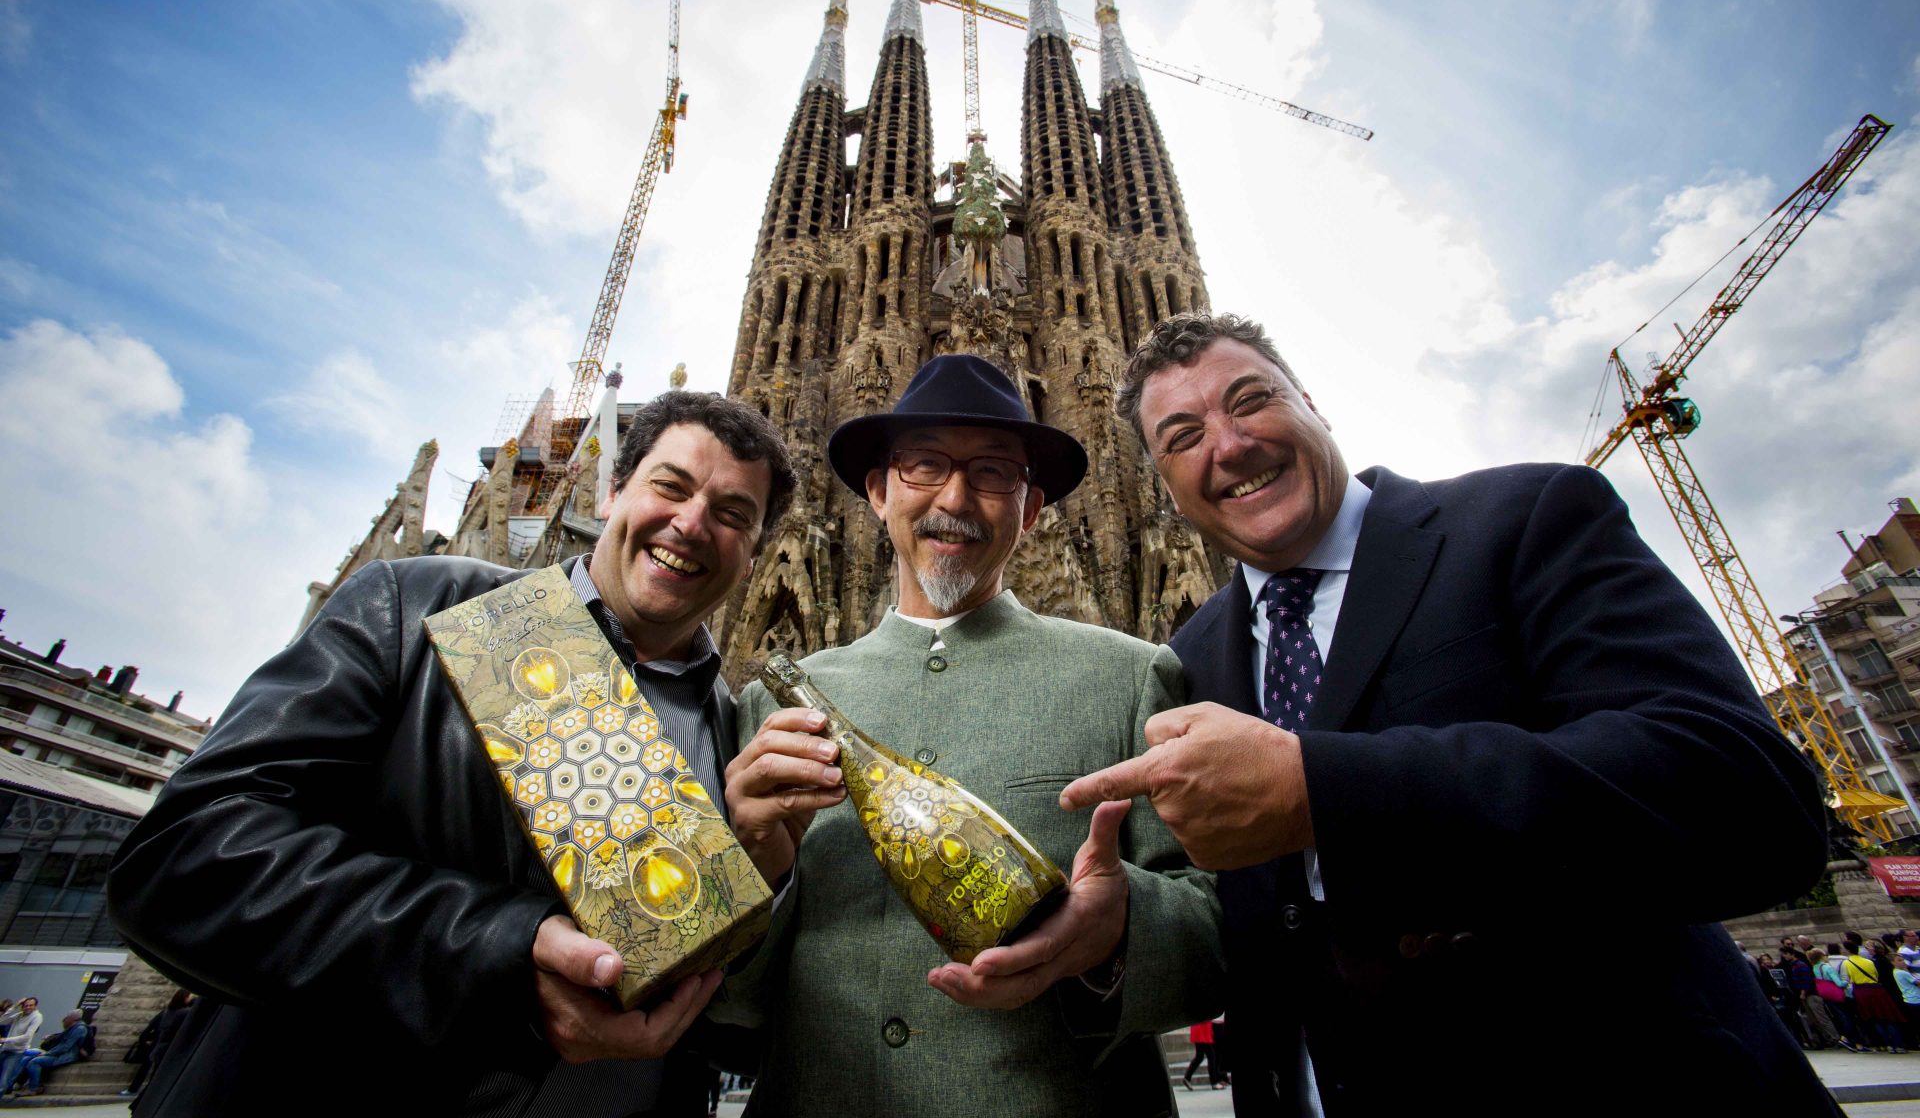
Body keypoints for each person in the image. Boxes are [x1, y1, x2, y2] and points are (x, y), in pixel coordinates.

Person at [1060, 312, 1835, 1115]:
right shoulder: (1190, 657)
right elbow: (1249, 927)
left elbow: (1749, 799)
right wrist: (1120, 933)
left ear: (1314, 404)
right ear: (1159, 479)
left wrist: (1323, 788)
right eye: (1182, 437)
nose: (1227, 445)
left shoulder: (1523, 520)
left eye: (1250, 399)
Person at [105, 392, 797, 1116]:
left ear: (753, 557)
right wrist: (498, 954)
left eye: (732, 514)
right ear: (615, 490)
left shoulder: (736, 737)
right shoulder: (425, 612)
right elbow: (180, 859)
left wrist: (766, 875)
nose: (690, 524)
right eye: (671, 486)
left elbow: (723, 1025)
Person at [714, 354, 1221, 1116]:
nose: (956, 498)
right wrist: (756, 869)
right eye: (923, 466)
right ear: (879, 493)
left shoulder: (1130, 679)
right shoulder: (772, 710)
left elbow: (1222, 921)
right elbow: (728, 1003)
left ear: (1031, 508)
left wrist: (1117, 933)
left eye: (992, 473)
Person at [5, 1009, 89, 1097]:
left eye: (68, 1017)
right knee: (26, 1059)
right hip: (59, 1052)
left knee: (34, 1062)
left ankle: (34, 1088)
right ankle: (12, 1084)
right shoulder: (73, 1027)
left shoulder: (80, 1029)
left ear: (73, 1018)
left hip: (67, 1055)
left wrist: (48, 1053)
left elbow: (66, 1046)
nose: (65, 1019)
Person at [0, 998, 40, 1096]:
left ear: (35, 1006)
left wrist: (6, 1040)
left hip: (17, 1051)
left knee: (5, 1077)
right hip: (6, 1048)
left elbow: (27, 1036)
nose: (28, 1007)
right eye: (26, 1005)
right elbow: (2, 1020)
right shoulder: (19, 1015)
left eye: (31, 1005)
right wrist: (14, 1007)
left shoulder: (37, 1017)